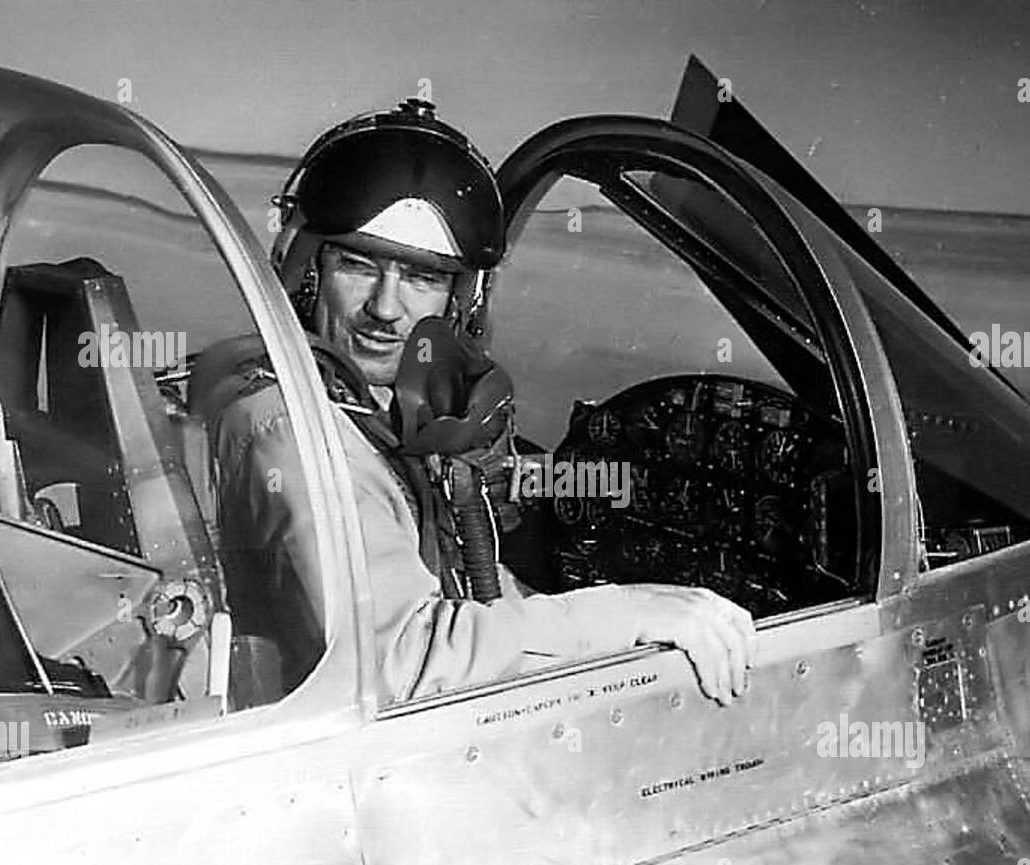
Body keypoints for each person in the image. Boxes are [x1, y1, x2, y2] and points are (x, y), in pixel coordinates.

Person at [204, 99, 755, 706]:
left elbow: (464, 591)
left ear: (458, 301)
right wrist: (619, 615)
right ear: (307, 272)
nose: (386, 310)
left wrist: (600, 618)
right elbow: (403, 663)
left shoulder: (369, 412)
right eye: (357, 267)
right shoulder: (298, 432)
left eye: (422, 278)